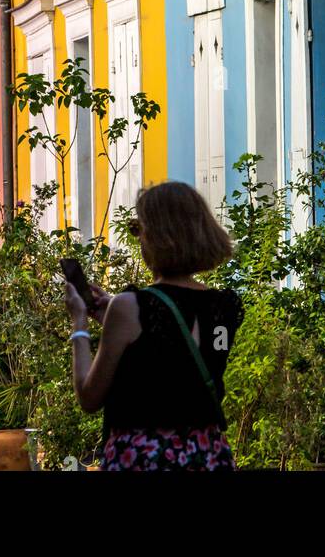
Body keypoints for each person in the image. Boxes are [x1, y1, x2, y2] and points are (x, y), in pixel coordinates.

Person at [65, 181, 244, 472]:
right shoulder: (224, 308)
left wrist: (80, 324)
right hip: (208, 456)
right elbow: (187, 354)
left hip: (146, 457)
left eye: (138, 228)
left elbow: (89, 396)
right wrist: (118, 313)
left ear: (158, 237)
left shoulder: (130, 307)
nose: (138, 237)